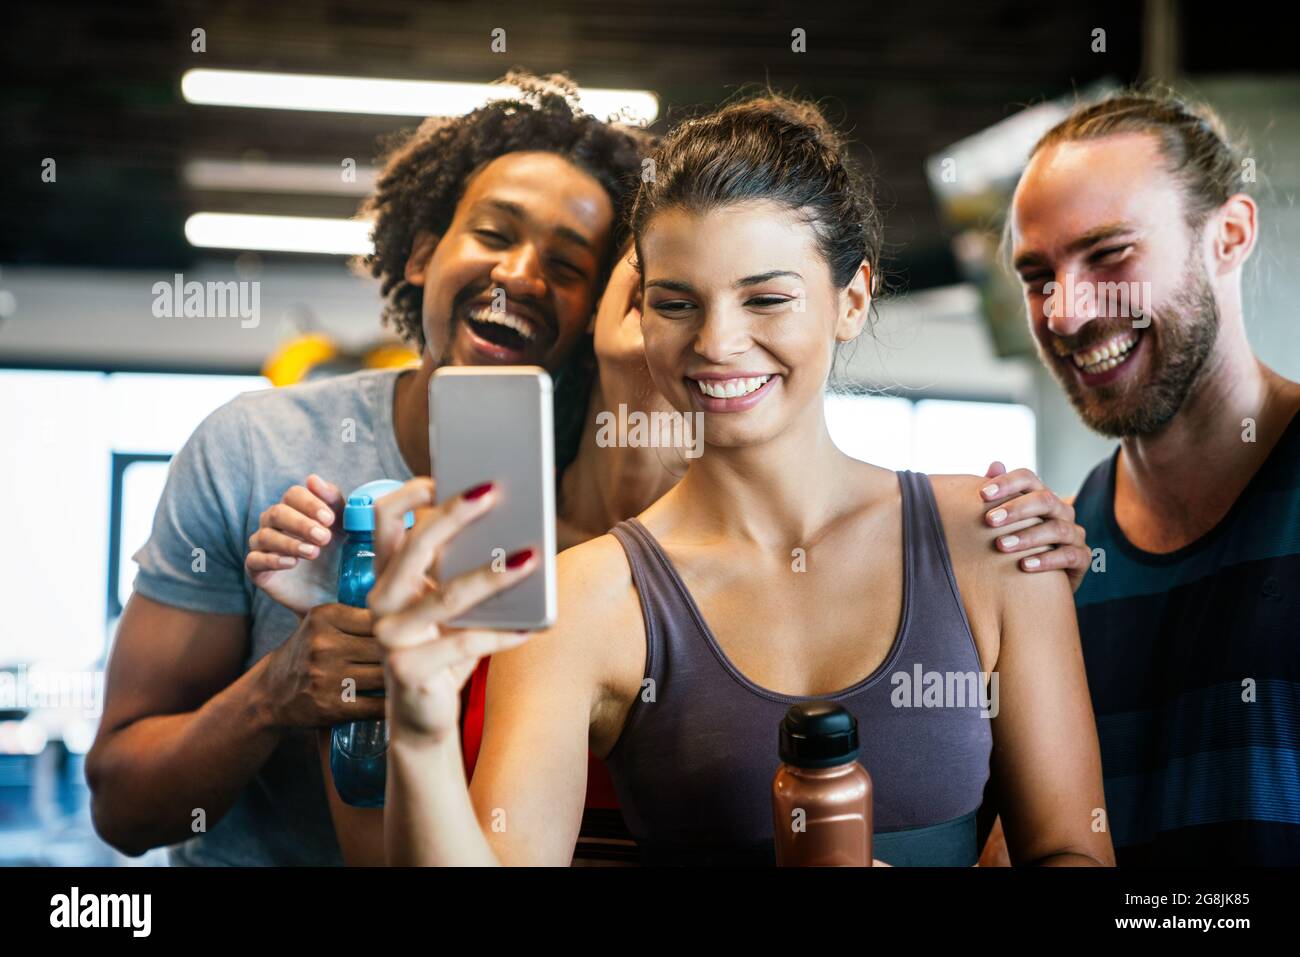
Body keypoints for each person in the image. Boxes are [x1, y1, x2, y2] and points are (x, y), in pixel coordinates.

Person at [358, 94, 1115, 867]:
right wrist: (417, 727)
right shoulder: (582, 601)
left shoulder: (995, 539)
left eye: (767, 298)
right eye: (676, 303)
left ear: (851, 300)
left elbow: (1074, 853)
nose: (718, 342)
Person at [84, 74, 648, 865]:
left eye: (566, 264)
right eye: (494, 233)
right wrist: (276, 691)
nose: (521, 275)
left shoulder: (601, 502)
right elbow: (122, 807)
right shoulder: (253, 447)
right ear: (421, 253)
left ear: (596, 311)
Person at [1001, 88, 1300, 865]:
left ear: (1228, 236)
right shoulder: (1057, 564)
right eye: (1038, 275)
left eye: (1109, 255)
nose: (1065, 313)